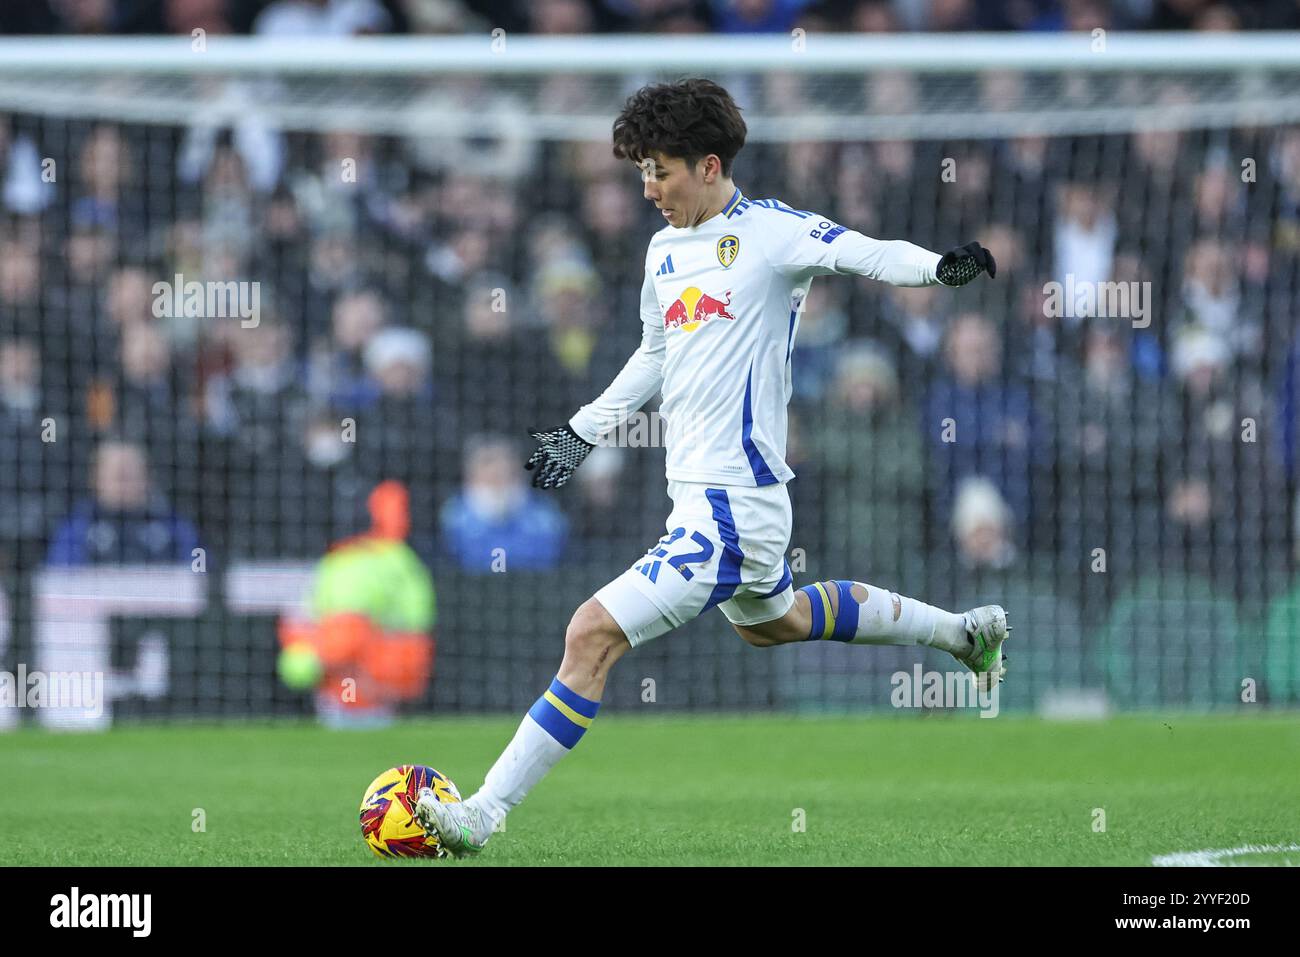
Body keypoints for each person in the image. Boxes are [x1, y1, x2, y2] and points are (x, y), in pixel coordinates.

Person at [416, 78, 1009, 856]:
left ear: (708, 163)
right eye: (640, 174)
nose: (649, 188)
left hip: (734, 504)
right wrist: (581, 432)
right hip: (703, 501)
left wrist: (939, 269)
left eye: (659, 170)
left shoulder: (770, 233)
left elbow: (863, 252)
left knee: (590, 632)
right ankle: (964, 635)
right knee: (782, 621)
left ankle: (482, 813)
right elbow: (654, 357)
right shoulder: (664, 252)